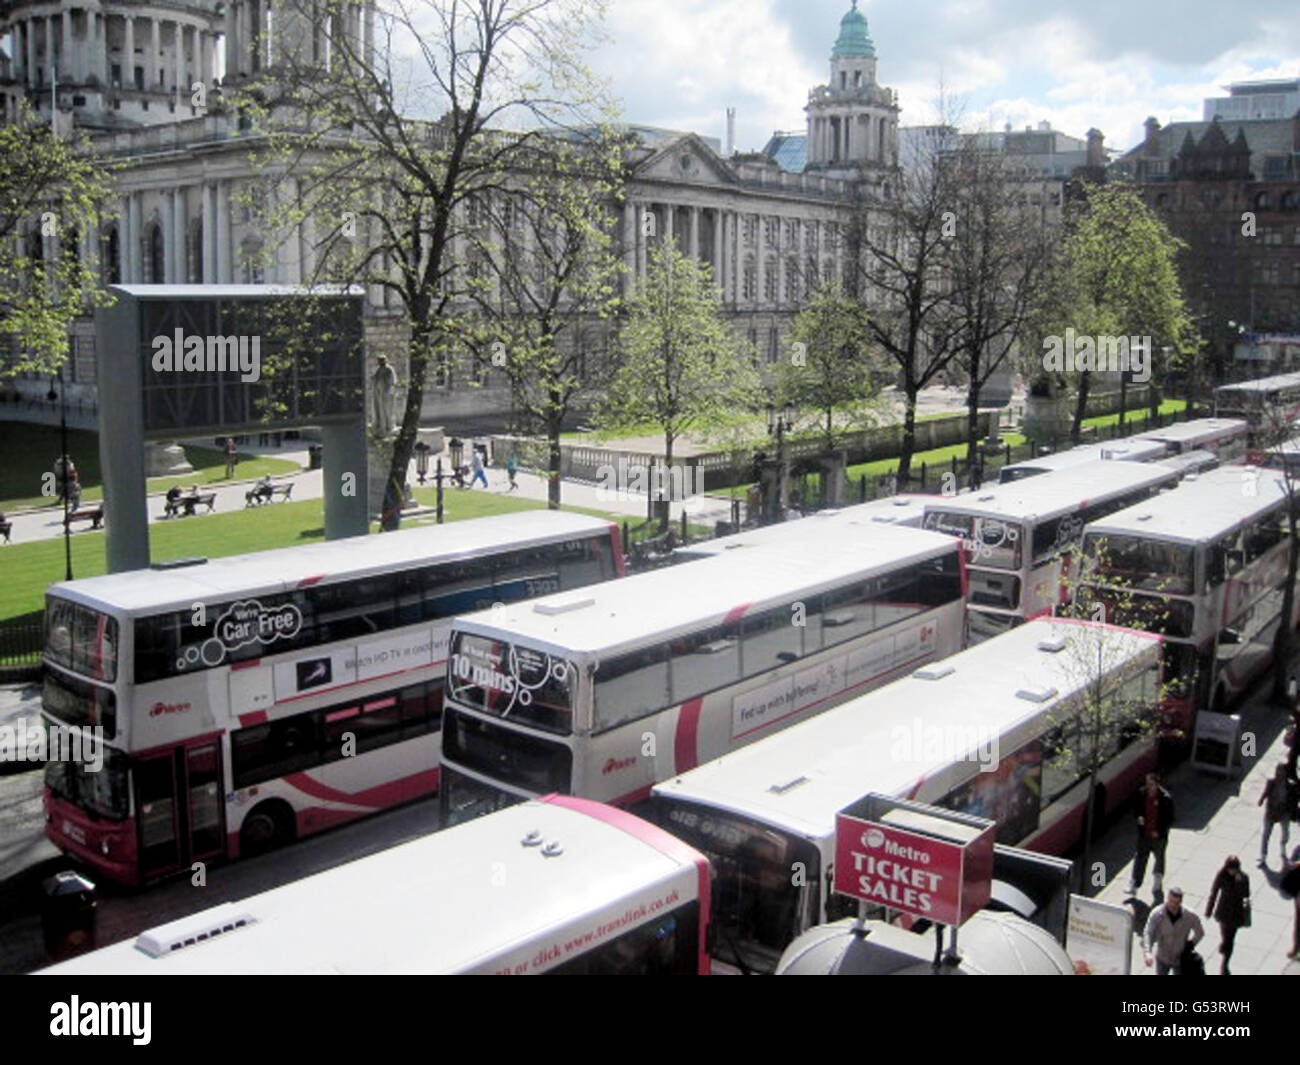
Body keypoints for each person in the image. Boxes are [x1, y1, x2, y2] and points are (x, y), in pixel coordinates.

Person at [1127, 773, 1175, 896]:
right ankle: (1134, 884)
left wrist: (1158, 831)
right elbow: (1136, 809)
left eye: (1151, 784)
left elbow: (1169, 819)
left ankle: (1157, 881)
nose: (1149, 787)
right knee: (1140, 858)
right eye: (1147, 784)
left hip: (1158, 837)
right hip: (1144, 834)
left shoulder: (1165, 798)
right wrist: (1139, 818)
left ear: (1157, 784)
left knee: (1159, 858)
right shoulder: (1141, 794)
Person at [1143, 887, 1204, 975]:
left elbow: (1200, 932)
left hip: (1180, 958)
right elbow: (1148, 933)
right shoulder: (1157, 914)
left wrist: (1189, 946)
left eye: (1176, 903)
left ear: (1181, 902)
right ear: (1167, 899)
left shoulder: (1190, 916)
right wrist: (1147, 952)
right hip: (1162, 957)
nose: (1173, 905)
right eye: (1171, 901)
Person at [1204, 855, 1250, 975]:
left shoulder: (1243, 877)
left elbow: (1246, 894)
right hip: (1224, 910)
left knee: (1231, 938)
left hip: (1236, 912)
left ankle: (1225, 964)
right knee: (1225, 934)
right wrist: (1209, 909)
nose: (1232, 871)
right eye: (1230, 869)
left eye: (1234, 869)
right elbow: (1214, 892)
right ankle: (1224, 943)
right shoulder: (1221, 875)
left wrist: (1239, 882)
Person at [1258, 762, 1293, 867]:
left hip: (1283, 812)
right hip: (1271, 812)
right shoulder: (1271, 782)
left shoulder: (1289, 785)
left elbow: (1292, 799)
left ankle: (1283, 848)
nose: (1279, 773)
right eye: (1278, 770)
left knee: (1285, 832)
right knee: (1266, 835)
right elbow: (1266, 792)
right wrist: (1261, 800)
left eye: (1282, 771)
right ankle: (1263, 857)